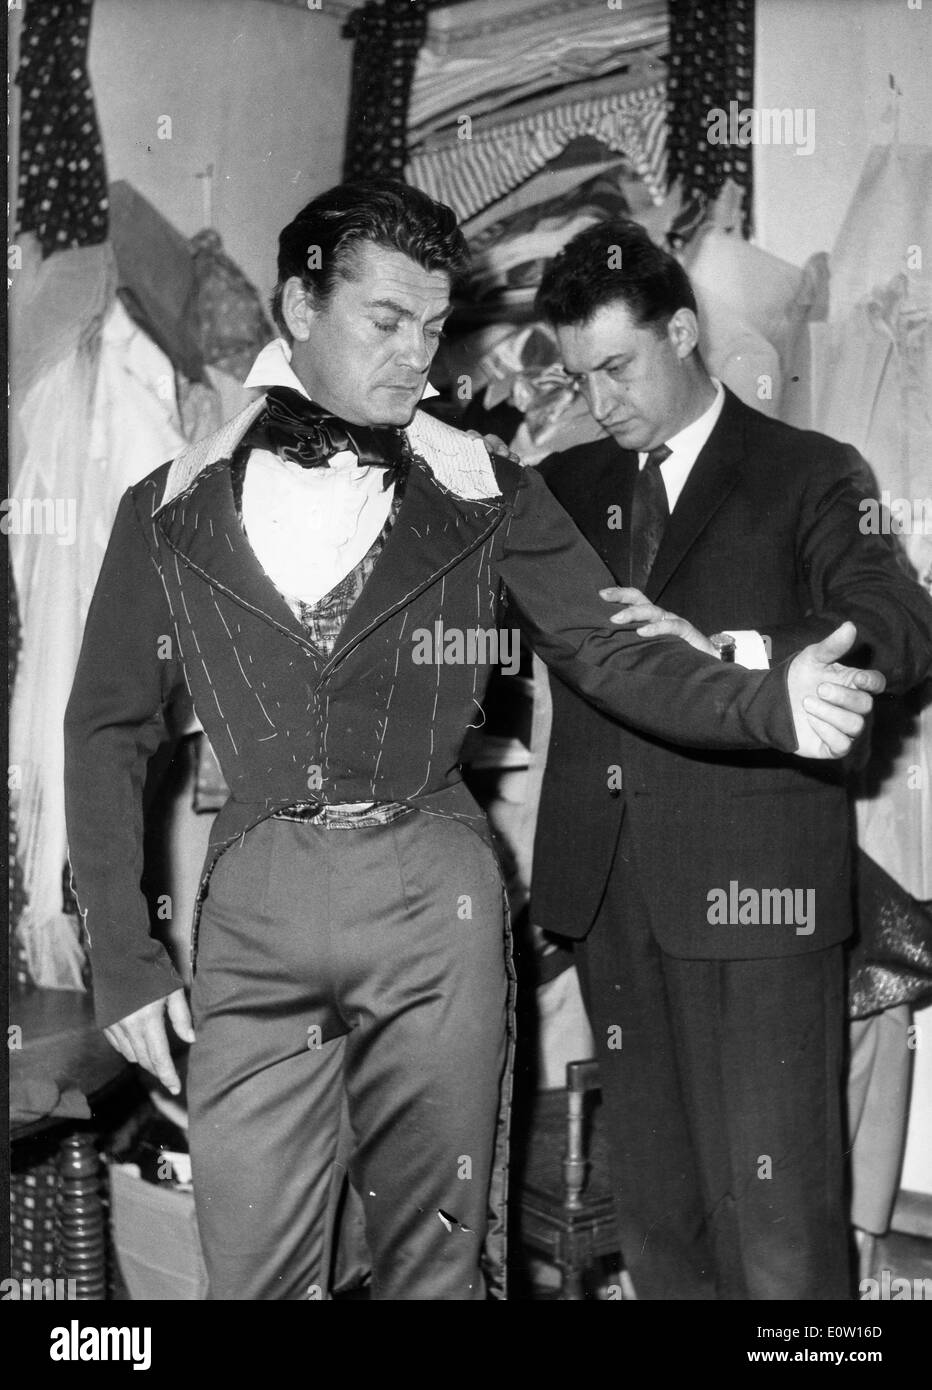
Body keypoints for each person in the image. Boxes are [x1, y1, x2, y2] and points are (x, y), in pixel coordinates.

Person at [64, 181, 882, 1302]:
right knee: (247, 1263)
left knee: (438, 1259)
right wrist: (123, 951)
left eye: (434, 327)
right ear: (299, 307)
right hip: (254, 901)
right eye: (385, 321)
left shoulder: (483, 484)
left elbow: (609, 647)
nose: (418, 357)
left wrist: (766, 699)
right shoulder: (166, 502)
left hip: (435, 896)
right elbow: (105, 725)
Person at [530, 218, 932, 1301]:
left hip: (758, 889)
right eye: (579, 379)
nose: (601, 401)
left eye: (616, 366)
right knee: (660, 1225)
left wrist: (741, 651)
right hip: (611, 890)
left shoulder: (807, 472)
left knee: (781, 1231)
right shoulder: (562, 488)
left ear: (680, 330)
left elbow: (896, 622)